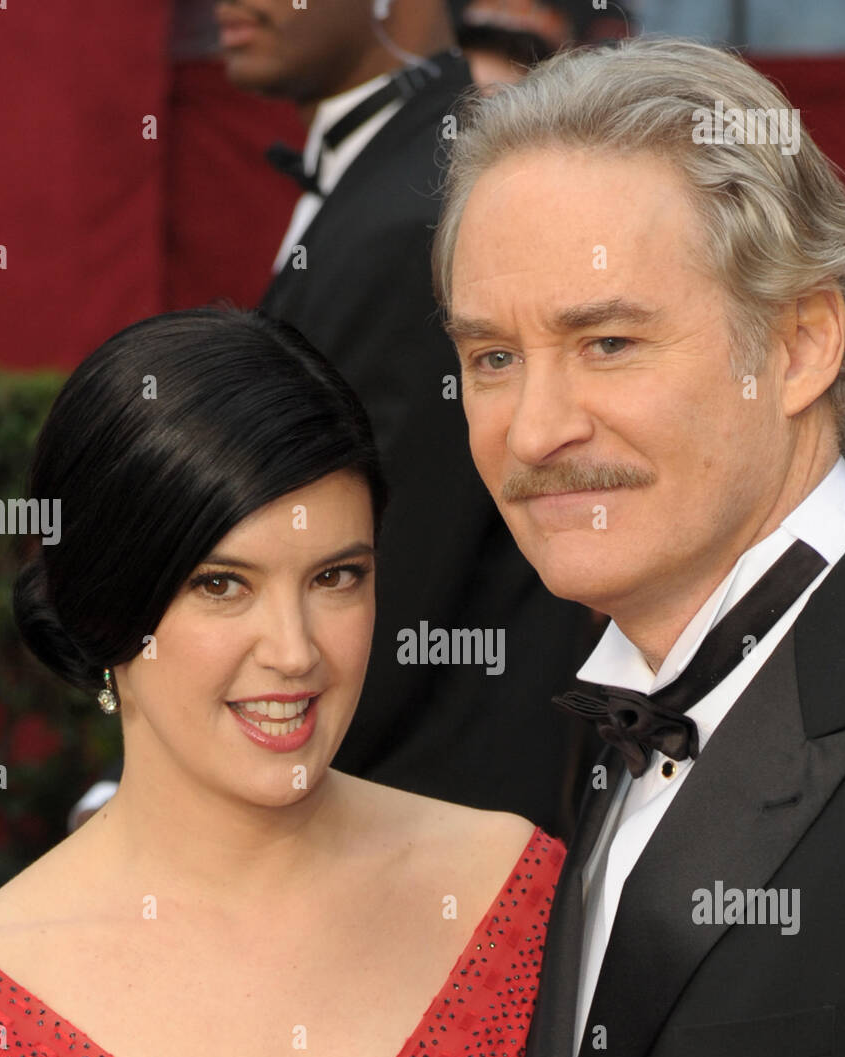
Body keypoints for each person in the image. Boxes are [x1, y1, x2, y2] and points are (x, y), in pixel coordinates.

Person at [432, 38, 845, 1057]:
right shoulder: (616, 722)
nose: (535, 426)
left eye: (607, 342)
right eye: (491, 357)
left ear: (799, 345)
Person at [0, 307, 564, 1057]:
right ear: (107, 611)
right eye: (222, 584)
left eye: (336, 578)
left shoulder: (519, 898)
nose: (294, 650)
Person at [215, 0, 587, 833]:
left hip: (407, 824)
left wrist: (199, 798)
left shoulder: (422, 203)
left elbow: (394, 580)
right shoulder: (399, 166)